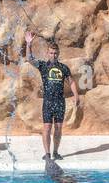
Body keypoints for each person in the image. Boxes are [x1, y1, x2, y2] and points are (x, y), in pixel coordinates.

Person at [24, 30, 82, 160]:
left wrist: (76, 95)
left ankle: (55, 152)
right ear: (47, 53)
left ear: (58, 54)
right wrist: (28, 44)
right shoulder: (43, 66)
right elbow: (29, 59)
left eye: (55, 53)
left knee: (58, 129)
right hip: (48, 102)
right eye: (51, 53)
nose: (53, 55)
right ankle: (47, 153)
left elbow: (71, 82)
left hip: (60, 102)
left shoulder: (63, 68)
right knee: (47, 128)